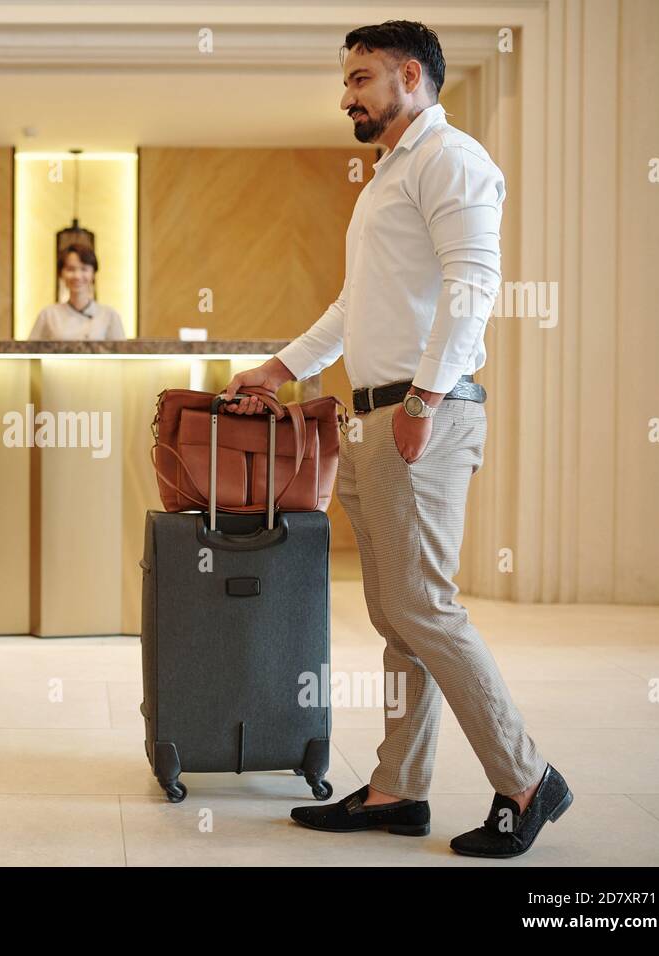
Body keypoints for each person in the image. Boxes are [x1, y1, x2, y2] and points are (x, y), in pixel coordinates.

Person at [222, 20, 571, 859]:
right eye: (347, 81)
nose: (347, 95)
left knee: (424, 605)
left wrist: (423, 396)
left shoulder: (452, 160)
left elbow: (475, 283)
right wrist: (281, 368)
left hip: (423, 413)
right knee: (395, 613)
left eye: (361, 78)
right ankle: (397, 789)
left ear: (411, 76)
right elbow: (355, 307)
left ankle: (526, 780)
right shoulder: (386, 178)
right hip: (375, 414)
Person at [28, 243, 125, 341]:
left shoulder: (109, 316)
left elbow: (121, 354)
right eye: (70, 269)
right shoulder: (48, 315)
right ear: (61, 274)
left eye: (84, 269)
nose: (77, 276)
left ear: (93, 274)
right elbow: (30, 351)